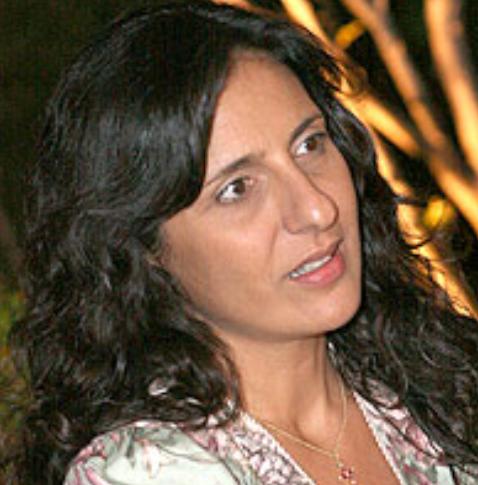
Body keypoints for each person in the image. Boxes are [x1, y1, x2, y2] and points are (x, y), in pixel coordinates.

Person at [7, 1, 478, 484]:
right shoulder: (147, 471)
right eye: (237, 189)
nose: (318, 208)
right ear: (144, 246)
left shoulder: (427, 394)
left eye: (310, 145)